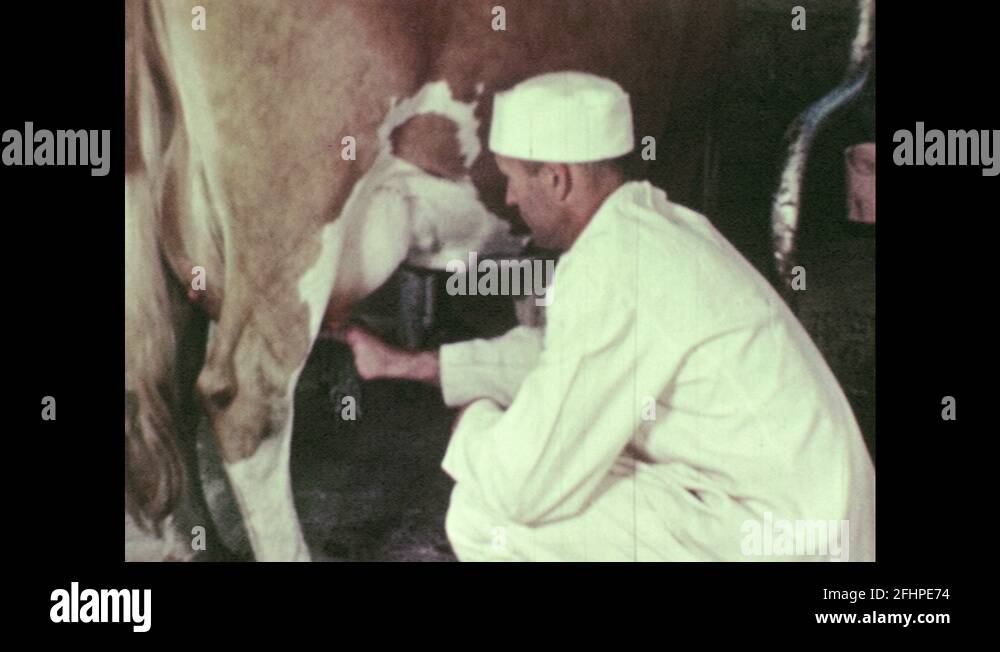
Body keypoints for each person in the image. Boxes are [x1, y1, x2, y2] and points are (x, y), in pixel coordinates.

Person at [344, 71, 876, 561]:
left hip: (786, 533)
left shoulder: (614, 269)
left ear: (556, 179)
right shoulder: (650, 224)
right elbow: (563, 356)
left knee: (487, 513)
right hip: (806, 509)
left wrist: (476, 422)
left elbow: (522, 489)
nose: (509, 199)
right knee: (568, 463)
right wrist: (414, 365)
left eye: (513, 180)